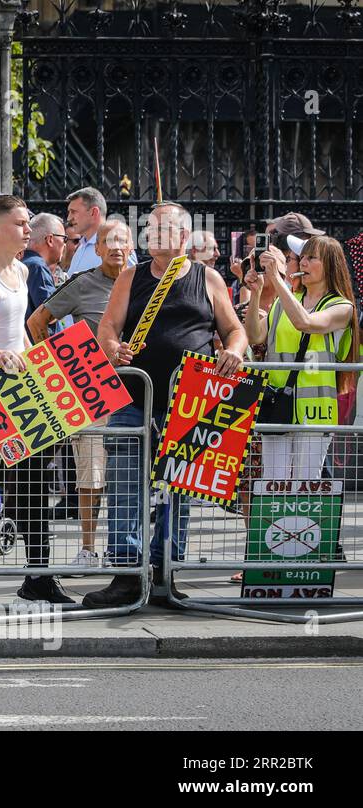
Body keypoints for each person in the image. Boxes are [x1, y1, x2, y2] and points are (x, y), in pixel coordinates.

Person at [83, 202, 247, 608]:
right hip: (133, 398)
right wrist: (112, 347)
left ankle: (165, 571)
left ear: (183, 236)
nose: (153, 235)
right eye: (150, 229)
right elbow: (108, 327)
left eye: (162, 229)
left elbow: (234, 330)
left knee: (179, 490)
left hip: (190, 404)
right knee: (125, 487)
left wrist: (236, 352)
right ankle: (126, 573)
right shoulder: (130, 277)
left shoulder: (208, 278)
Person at [0, 194, 69, 606]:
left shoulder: (22, 271)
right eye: (21, 223)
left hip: (18, 394)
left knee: (34, 488)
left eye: (28, 223)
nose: (28, 229)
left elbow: (17, 332)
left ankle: (39, 575)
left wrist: (35, 364)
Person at [27, 219, 134, 565]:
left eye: (122, 240)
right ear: (96, 249)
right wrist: (59, 365)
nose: (116, 246)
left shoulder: (146, 284)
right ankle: (88, 548)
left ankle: (130, 549)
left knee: (132, 474)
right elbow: (36, 322)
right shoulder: (82, 284)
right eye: (107, 241)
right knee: (91, 474)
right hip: (95, 391)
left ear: (132, 247)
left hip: (139, 390)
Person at [244, 235, 358, 478]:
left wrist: (276, 279)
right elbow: (254, 336)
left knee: (306, 484)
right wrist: (256, 294)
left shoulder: (341, 306)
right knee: (274, 483)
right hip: (277, 404)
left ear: (329, 265)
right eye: (301, 258)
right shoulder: (285, 301)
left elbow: (304, 322)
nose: (302, 264)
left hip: (315, 412)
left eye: (311, 258)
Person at [66, 186, 136, 273]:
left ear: (94, 212)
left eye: (73, 212)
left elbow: (131, 282)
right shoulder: (81, 247)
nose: (69, 218)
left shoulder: (118, 245)